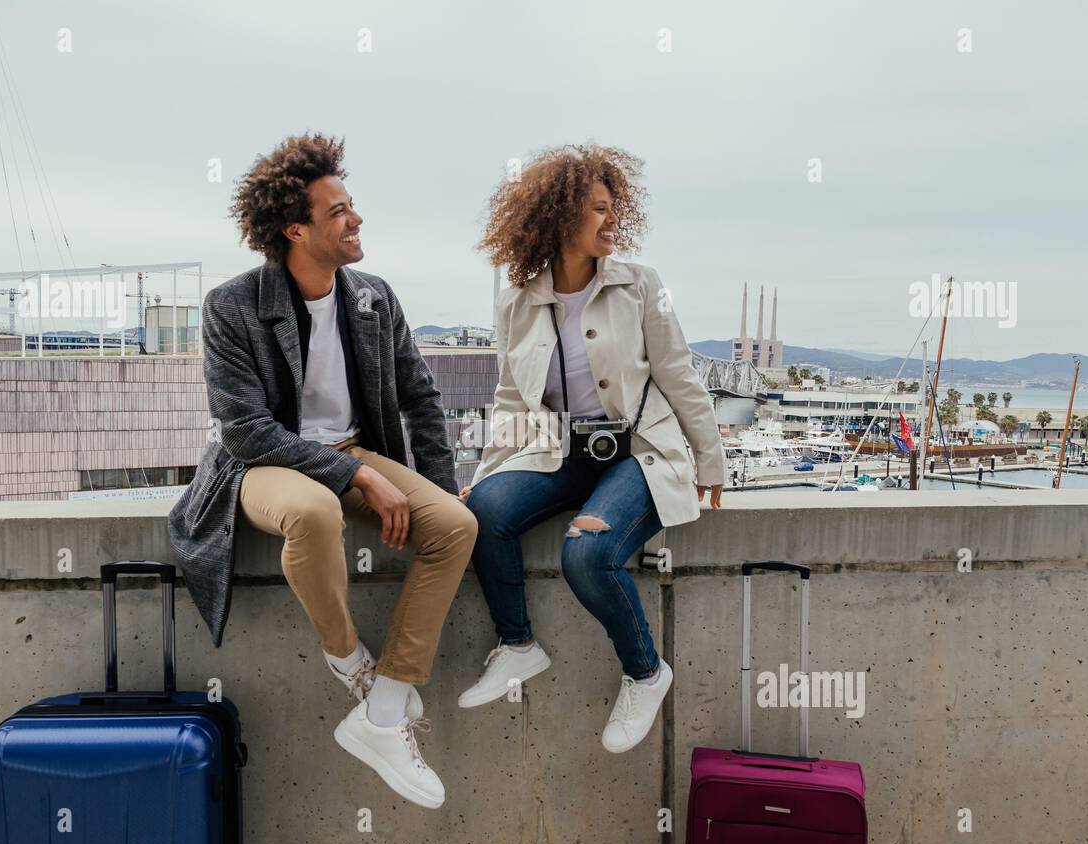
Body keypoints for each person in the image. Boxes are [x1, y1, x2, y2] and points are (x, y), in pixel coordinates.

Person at [168, 133, 477, 809]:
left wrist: (432, 476)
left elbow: (421, 399)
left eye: (352, 206)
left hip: (353, 450)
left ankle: (385, 708)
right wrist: (358, 478)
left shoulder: (373, 298)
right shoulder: (233, 305)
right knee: (314, 512)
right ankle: (351, 663)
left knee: (455, 525)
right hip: (263, 462)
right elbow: (246, 428)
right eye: (339, 212)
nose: (356, 219)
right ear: (296, 230)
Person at [459, 144, 726, 753]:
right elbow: (510, 399)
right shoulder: (518, 300)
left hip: (636, 453)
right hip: (561, 455)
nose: (613, 222)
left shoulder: (640, 286)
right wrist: (486, 473)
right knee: (483, 514)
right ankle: (518, 647)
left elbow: (680, 375)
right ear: (557, 219)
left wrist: (711, 462)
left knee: (588, 552)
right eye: (597, 211)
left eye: (614, 209)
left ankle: (646, 672)